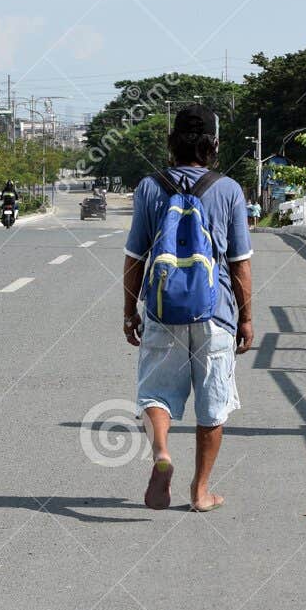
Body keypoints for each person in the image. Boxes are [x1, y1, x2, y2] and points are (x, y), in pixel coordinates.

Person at [122, 105, 255, 512]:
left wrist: (131, 312)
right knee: (212, 404)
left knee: (156, 393)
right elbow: (240, 265)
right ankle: (200, 492)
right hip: (214, 312)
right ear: (214, 144)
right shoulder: (228, 189)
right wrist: (247, 317)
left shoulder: (149, 187)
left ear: (171, 142)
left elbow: (135, 258)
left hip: (163, 310)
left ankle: (162, 451)